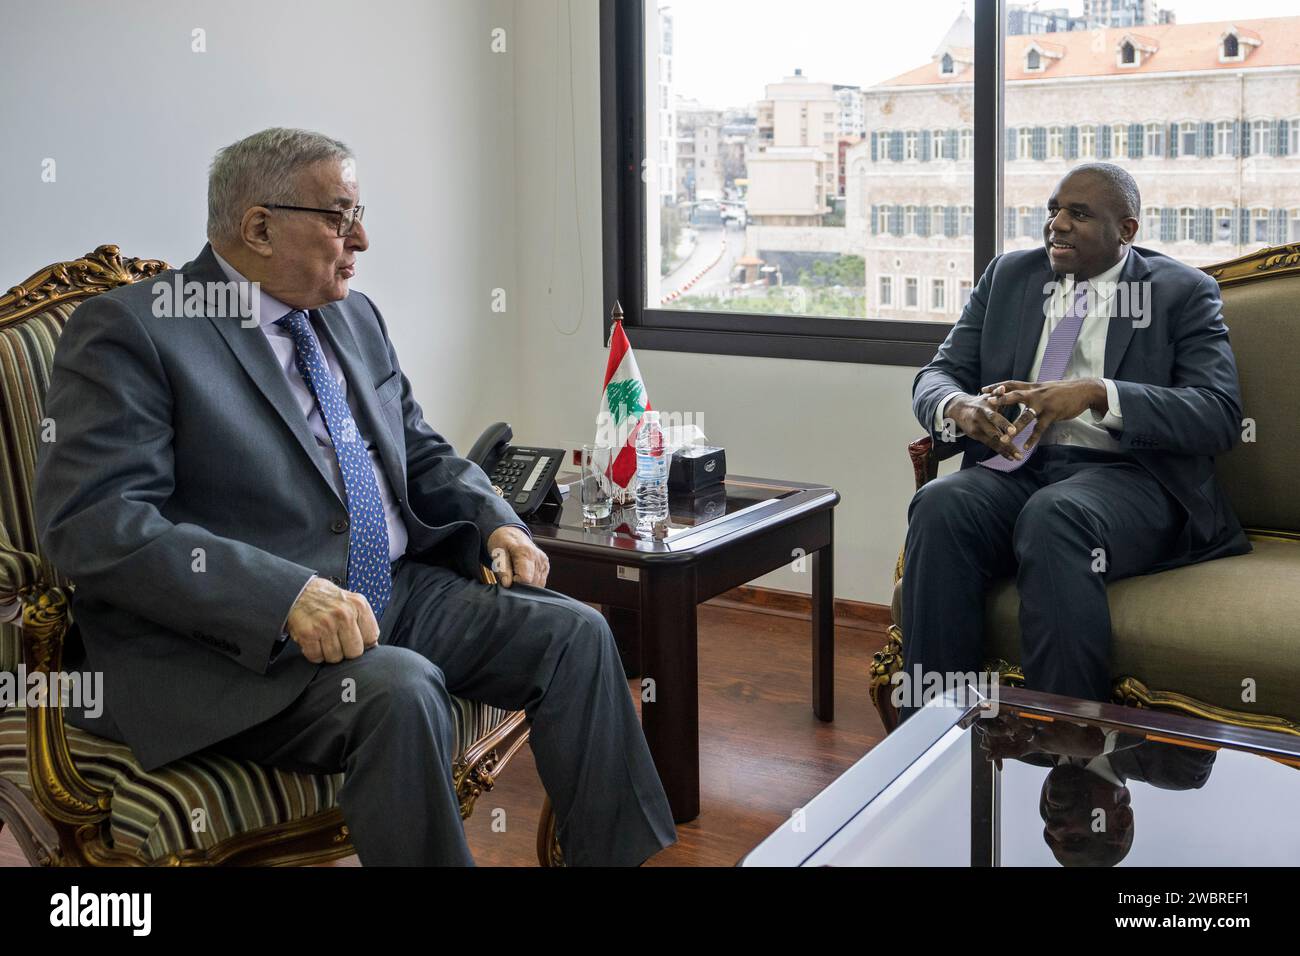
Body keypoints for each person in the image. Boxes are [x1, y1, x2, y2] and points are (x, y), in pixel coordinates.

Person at [35, 127, 677, 866]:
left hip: (393, 592)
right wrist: (283, 596)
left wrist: (493, 521)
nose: (362, 238)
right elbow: (95, 522)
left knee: (577, 635)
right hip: (234, 644)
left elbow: (419, 446)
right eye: (340, 217)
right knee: (400, 691)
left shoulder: (353, 316)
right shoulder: (135, 331)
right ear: (258, 227)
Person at [901, 162, 1250, 713]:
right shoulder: (1009, 278)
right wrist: (958, 405)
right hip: (1018, 467)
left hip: (1130, 479)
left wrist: (1097, 394)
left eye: (1079, 214)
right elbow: (936, 374)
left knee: (1056, 514)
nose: (1057, 225)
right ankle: (931, 739)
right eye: (1053, 210)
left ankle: (1070, 755)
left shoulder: (1182, 292)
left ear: (1127, 231)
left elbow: (1219, 414)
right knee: (941, 503)